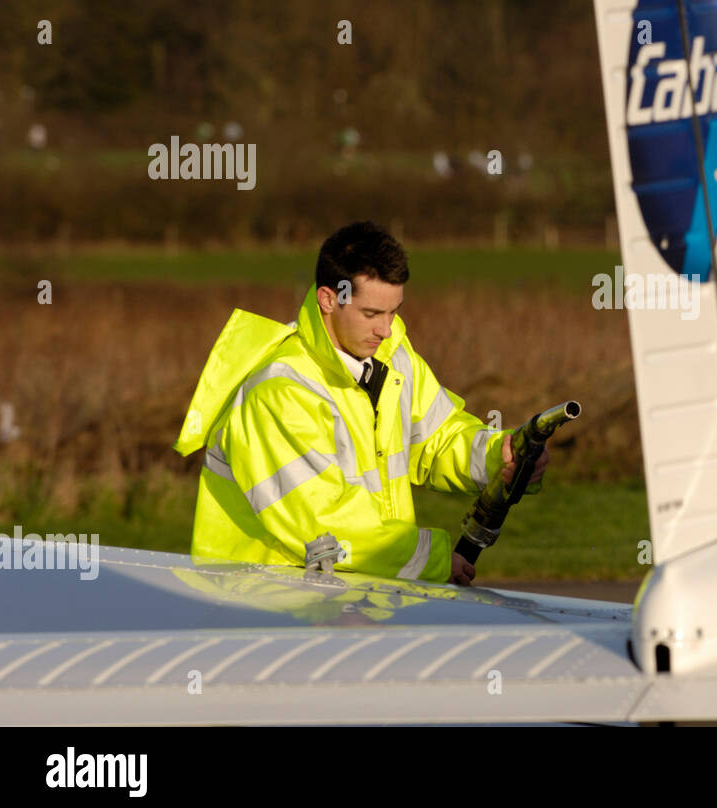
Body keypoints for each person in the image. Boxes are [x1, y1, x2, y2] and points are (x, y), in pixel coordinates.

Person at [175, 221, 548, 586]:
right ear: (327, 299)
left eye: (394, 312)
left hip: (353, 597)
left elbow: (438, 439)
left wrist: (502, 454)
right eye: (371, 314)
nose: (385, 330)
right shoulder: (280, 390)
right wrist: (428, 560)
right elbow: (326, 521)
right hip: (268, 609)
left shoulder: (392, 359)